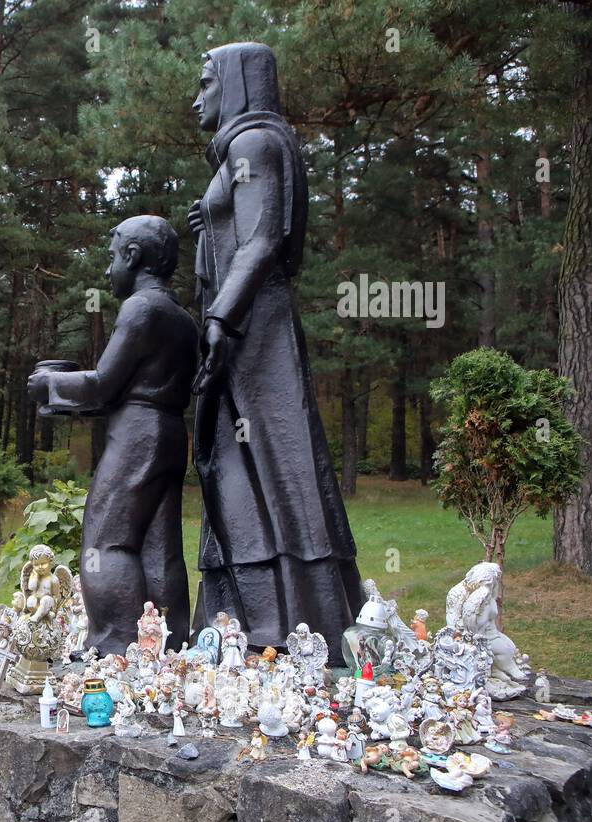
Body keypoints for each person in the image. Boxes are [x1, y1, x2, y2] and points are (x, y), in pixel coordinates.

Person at [188, 42, 363, 663]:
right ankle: (246, 618)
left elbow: (262, 242)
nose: (197, 97)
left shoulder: (253, 144)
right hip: (246, 323)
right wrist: (208, 222)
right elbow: (242, 227)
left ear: (235, 83)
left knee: (267, 462)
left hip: (251, 329)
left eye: (207, 82)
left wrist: (220, 319)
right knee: (237, 461)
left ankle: (286, 622)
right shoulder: (251, 147)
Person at [28, 215, 198, 655]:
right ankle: (171, 643)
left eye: (112, 257)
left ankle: (116, 646)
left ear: (133, 255)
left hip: (138, 434)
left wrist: (49, 385)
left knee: (107, 540)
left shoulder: (141, 308)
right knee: (160, 546)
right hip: (170, 432)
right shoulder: (183, 318)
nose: (107, 271)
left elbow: (105, 382)